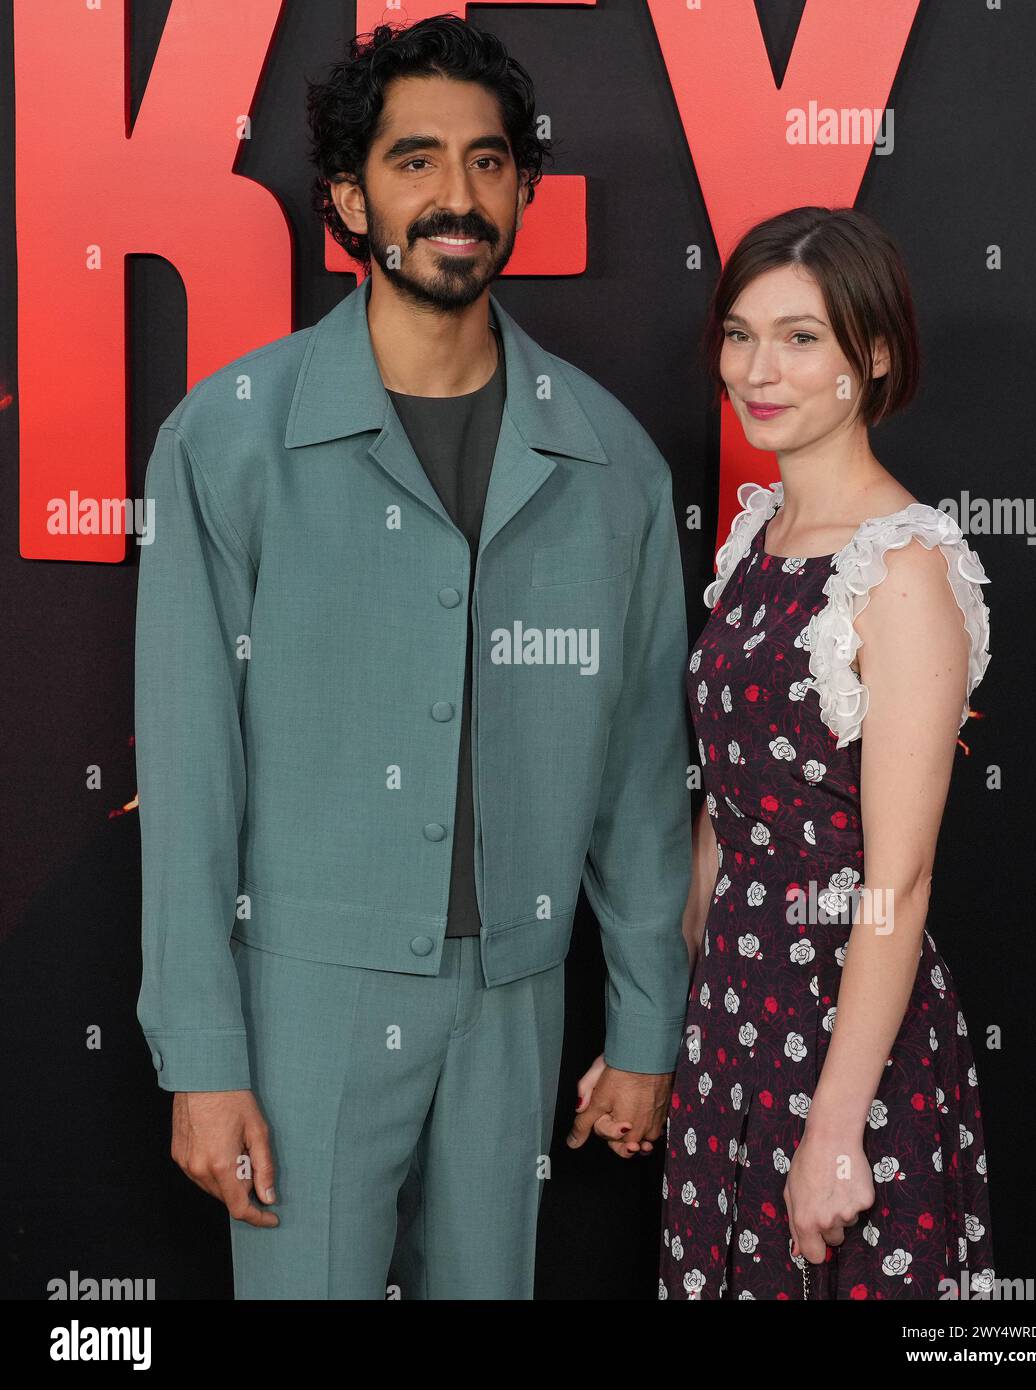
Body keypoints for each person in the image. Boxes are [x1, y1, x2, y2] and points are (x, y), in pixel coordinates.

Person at [134, 15, 692, 1300]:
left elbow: (637, 785)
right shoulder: (227, 440)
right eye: (415, 160)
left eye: (488, 163)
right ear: (347, 194)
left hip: (516, 1002)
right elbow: (190, 770)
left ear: (521, 189)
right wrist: (203, 1056)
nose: (456, 196)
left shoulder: (609, 461)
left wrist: (649, 1020)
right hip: (302, 1004)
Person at [657, 206, 996, 1299]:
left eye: (801, 338)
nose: (760, 369)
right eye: (741, 333)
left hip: (842, 1028)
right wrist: (669, 1023)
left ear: (874, 355)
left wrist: (835, 1126)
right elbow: (723, 807)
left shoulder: (902, 570)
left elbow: (894, 880)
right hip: (729, 1017)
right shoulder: (755, 538)